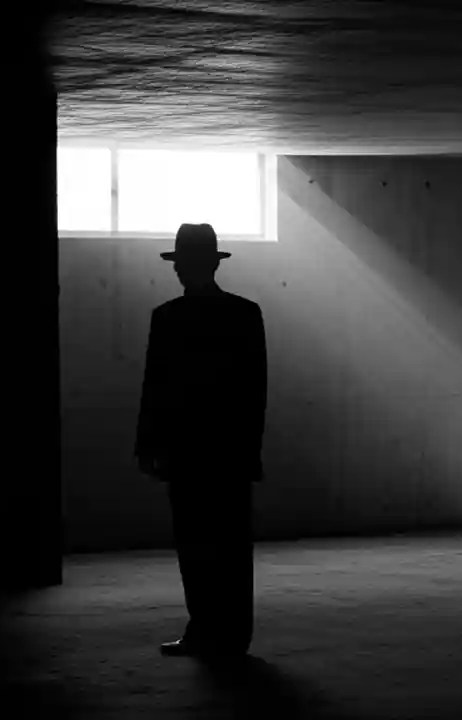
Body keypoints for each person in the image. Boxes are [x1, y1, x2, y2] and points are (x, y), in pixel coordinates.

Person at [135, 222, 267, 659]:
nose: (180, 271)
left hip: (189, 451)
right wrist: (250, 450)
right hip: (222, 451)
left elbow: (156, 388)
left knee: (197, 544)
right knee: (227, 545)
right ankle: (230, 634)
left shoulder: (168, 317)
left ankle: (206, 629)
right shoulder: (244, 313)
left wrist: (148, 445)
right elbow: (254, 390)